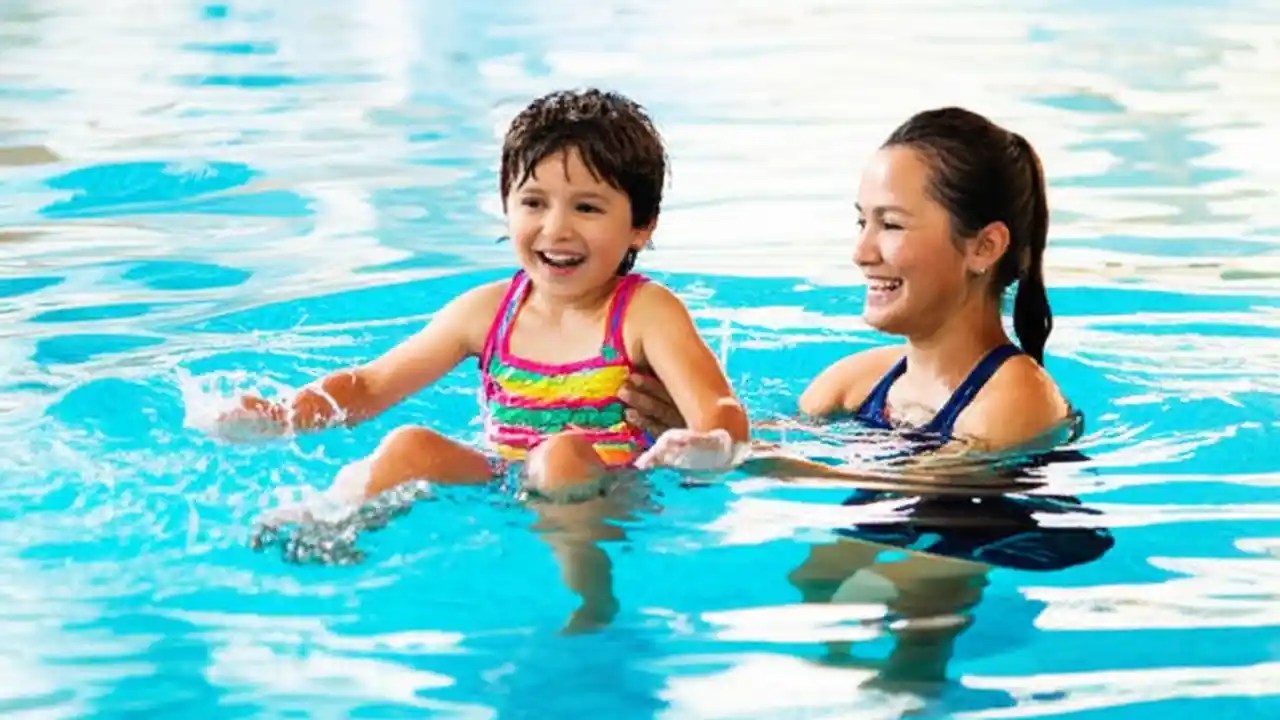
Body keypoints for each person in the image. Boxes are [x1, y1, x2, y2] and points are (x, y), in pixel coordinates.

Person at [217, 88, 751, 510]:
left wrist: (711, 443)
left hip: (611, 490)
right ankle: (329, 521)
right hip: (504, 485)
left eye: (587, 208)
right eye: (534, 202)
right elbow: (369, 385)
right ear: (506, 207)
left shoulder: (644, 313)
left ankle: (586, 602)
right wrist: (286, 413)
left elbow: (718, 407)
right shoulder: (488, 312)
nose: (555, 229)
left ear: (641, 226)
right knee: (409, 444)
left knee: (560, 454)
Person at [619, 106, 1076, 463]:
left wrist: (736, 454)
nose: (861, 253)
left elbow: (932, 489)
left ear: (984, 247)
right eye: (862, 221)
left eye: (891, 225)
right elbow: (776, 440)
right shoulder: (853, 382)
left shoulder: (1019, 398)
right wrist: (700, 428)